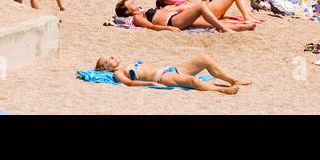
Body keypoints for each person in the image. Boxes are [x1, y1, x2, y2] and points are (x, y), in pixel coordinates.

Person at [115, 0, 257, 32]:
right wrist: (168, 29)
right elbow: (151, 26)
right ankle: (227, 30)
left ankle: (243, 26)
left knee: (211, 24)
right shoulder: (136, 17)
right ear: (128, 11)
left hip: (178, 17)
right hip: (173, 22)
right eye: (131, 4)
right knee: (201, 6)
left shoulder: (144, 11)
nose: (134, 3)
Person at [95, 53, 251, 93]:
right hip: (162, 77)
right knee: (192, 81)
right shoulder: (117, 73)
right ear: (106, 68)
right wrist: (150, 83)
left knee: (204, 58)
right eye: (110, 59)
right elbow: (129, 83)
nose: (114, 58)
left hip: (170, 69)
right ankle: (223, 90)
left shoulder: (126, 65)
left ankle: (233, 80)